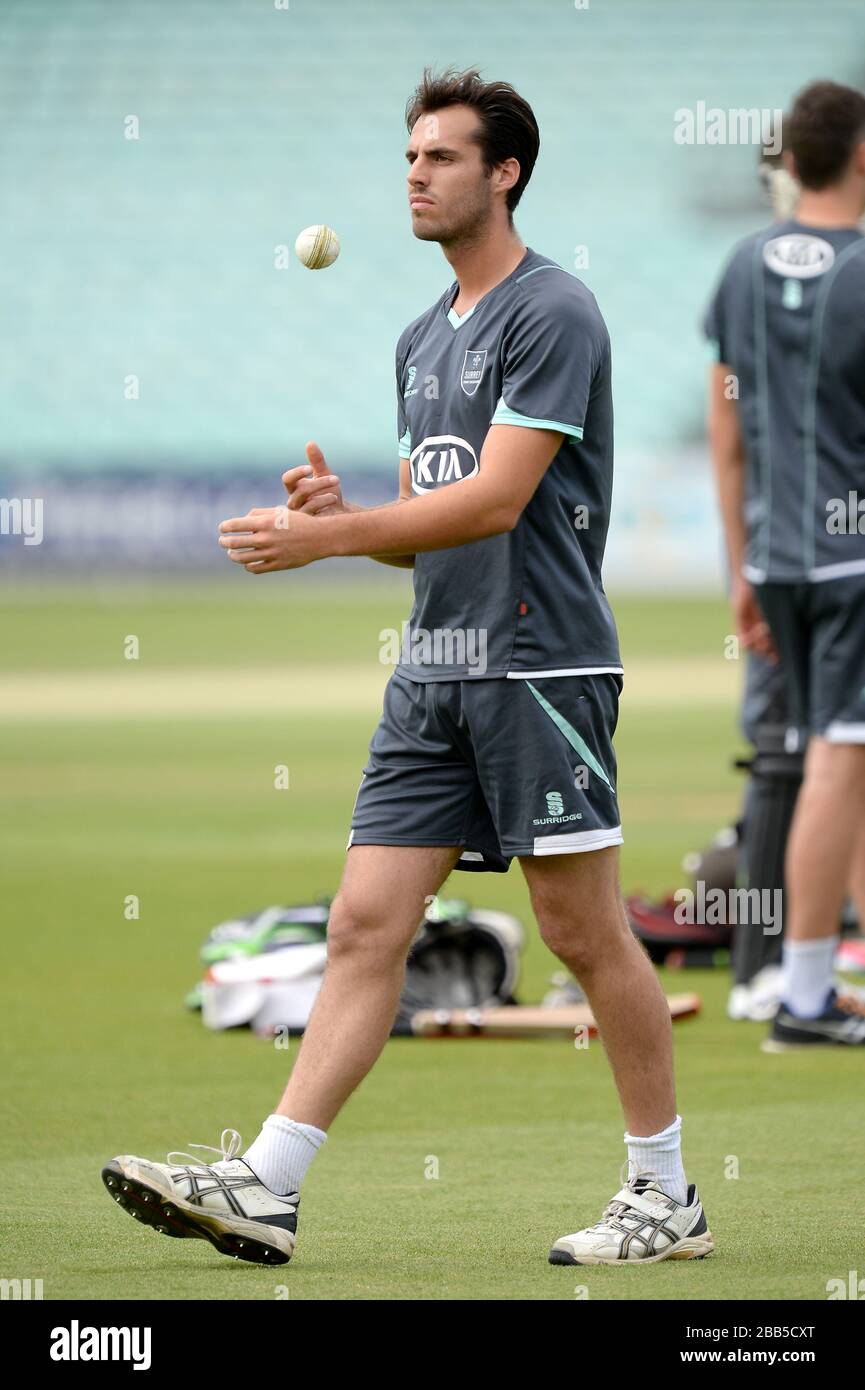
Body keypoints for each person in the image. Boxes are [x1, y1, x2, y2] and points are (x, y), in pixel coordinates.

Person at [102, 68, 713, 1268]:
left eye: (439, 157)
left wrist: (325, 538)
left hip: (539, 667)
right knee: (364, 923)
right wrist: (355, 515)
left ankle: (666, 1195)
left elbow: (495, 503)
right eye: (408, 157)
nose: (415, 175)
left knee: (582, 934)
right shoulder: (419, 336)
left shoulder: (554, 311)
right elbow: (440, 520)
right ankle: (268, 1184)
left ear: (504, 173)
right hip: (434, 668)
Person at [705, 79, 865, 1051]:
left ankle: (815, 977)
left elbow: (727, 433)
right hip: (854, 561)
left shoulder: (738, 266)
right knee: (836, 760)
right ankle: (802, 994)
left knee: (845, 759)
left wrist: (741, 567)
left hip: (780, 556)